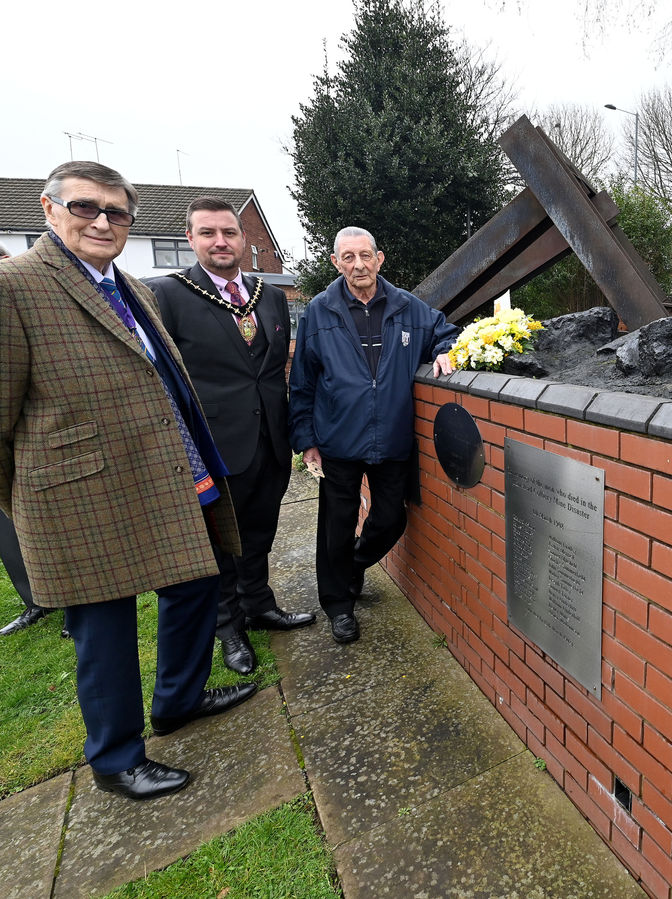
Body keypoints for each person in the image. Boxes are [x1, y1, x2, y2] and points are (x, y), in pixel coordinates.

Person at [0, 161, 257, 801]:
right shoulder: (15, 286)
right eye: (86, 208)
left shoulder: (131, 286)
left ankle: (178, 699)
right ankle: (116, 757)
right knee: (104, 628)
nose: (103, 222)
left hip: (167, 474)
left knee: (198, 581)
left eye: (116, 213)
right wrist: (25, 501)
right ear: (49, 209)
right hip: (79, 497)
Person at [151, 198, 314, 676]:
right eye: (208, 233)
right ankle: (229, 626)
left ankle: (260, 604)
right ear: (191, 240)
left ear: (244, 240)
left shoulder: (271, 295)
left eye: (229, 232)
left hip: (270, 437)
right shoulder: (167, 294)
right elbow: (161, 376)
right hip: (215, 444)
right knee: (221, 538)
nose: (220, 242)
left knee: (262, 527)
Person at [289, 226, 457, 644]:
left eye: (365, 256)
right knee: (336, 527)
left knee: (390, 518)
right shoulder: (318, 312)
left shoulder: (408, 307)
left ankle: (355, 566)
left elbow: (447, 333)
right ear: (335, 262)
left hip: (392, 437)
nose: (358, 265)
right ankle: (338, 605)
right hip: (337, 441)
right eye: (348, 257)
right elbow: (302, 383)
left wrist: (445, 351)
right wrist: (307, 440)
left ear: (379, 259)